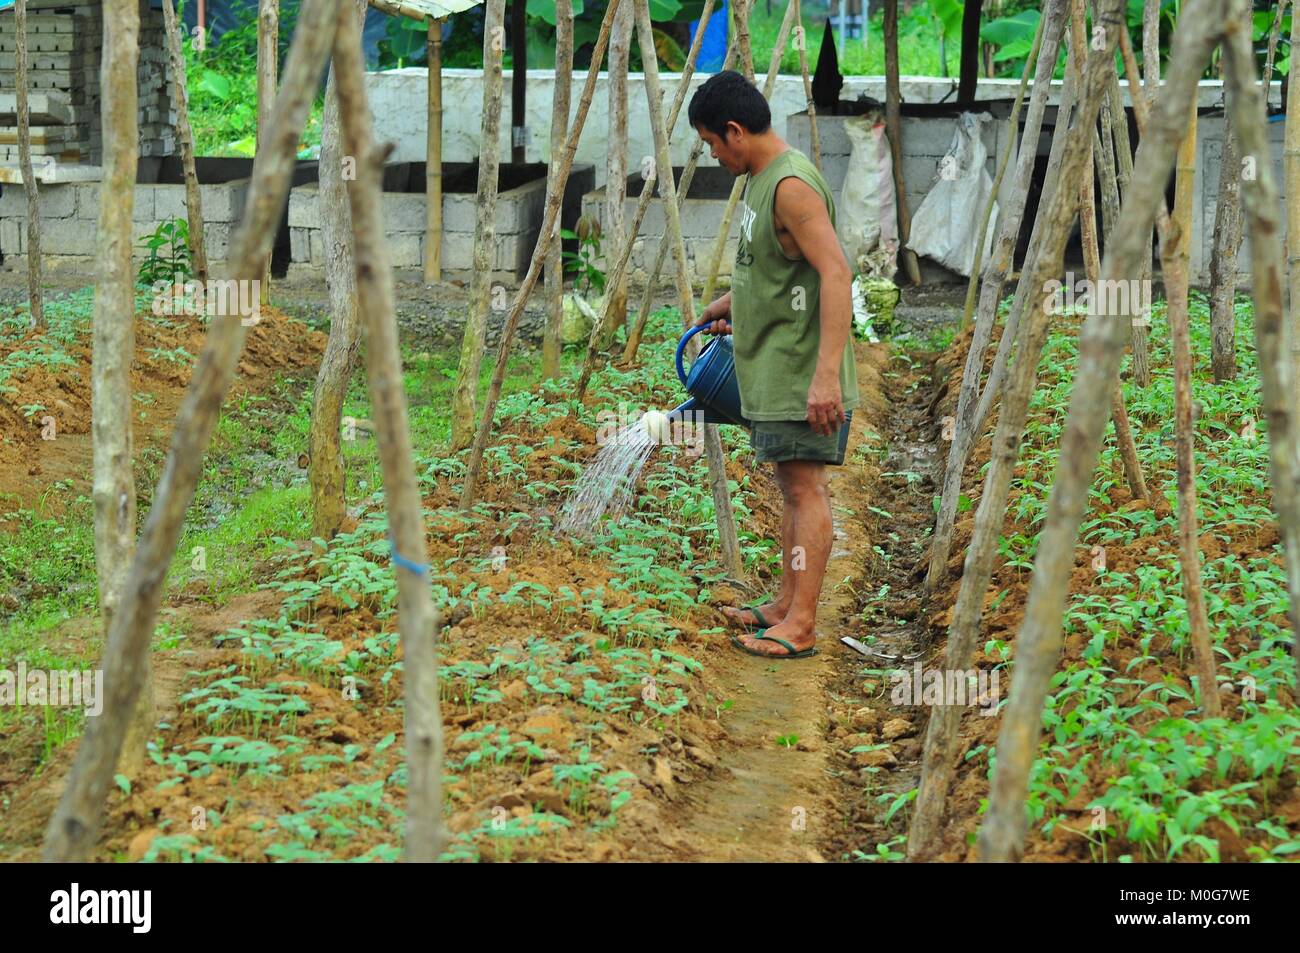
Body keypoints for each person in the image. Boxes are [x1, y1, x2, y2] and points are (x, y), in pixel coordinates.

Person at [688, 69, 860, 660]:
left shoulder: (790, 186)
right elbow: (784, 270)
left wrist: (825, 376)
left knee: (806, 489)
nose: (713, 154)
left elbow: (836, 272)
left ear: (735, 131)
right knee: (791, 488)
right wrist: (737, 301)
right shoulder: (762, 182)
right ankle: (785, 605)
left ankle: (803, 625)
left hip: (799, 371)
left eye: (712, 142)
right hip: (777, 368)